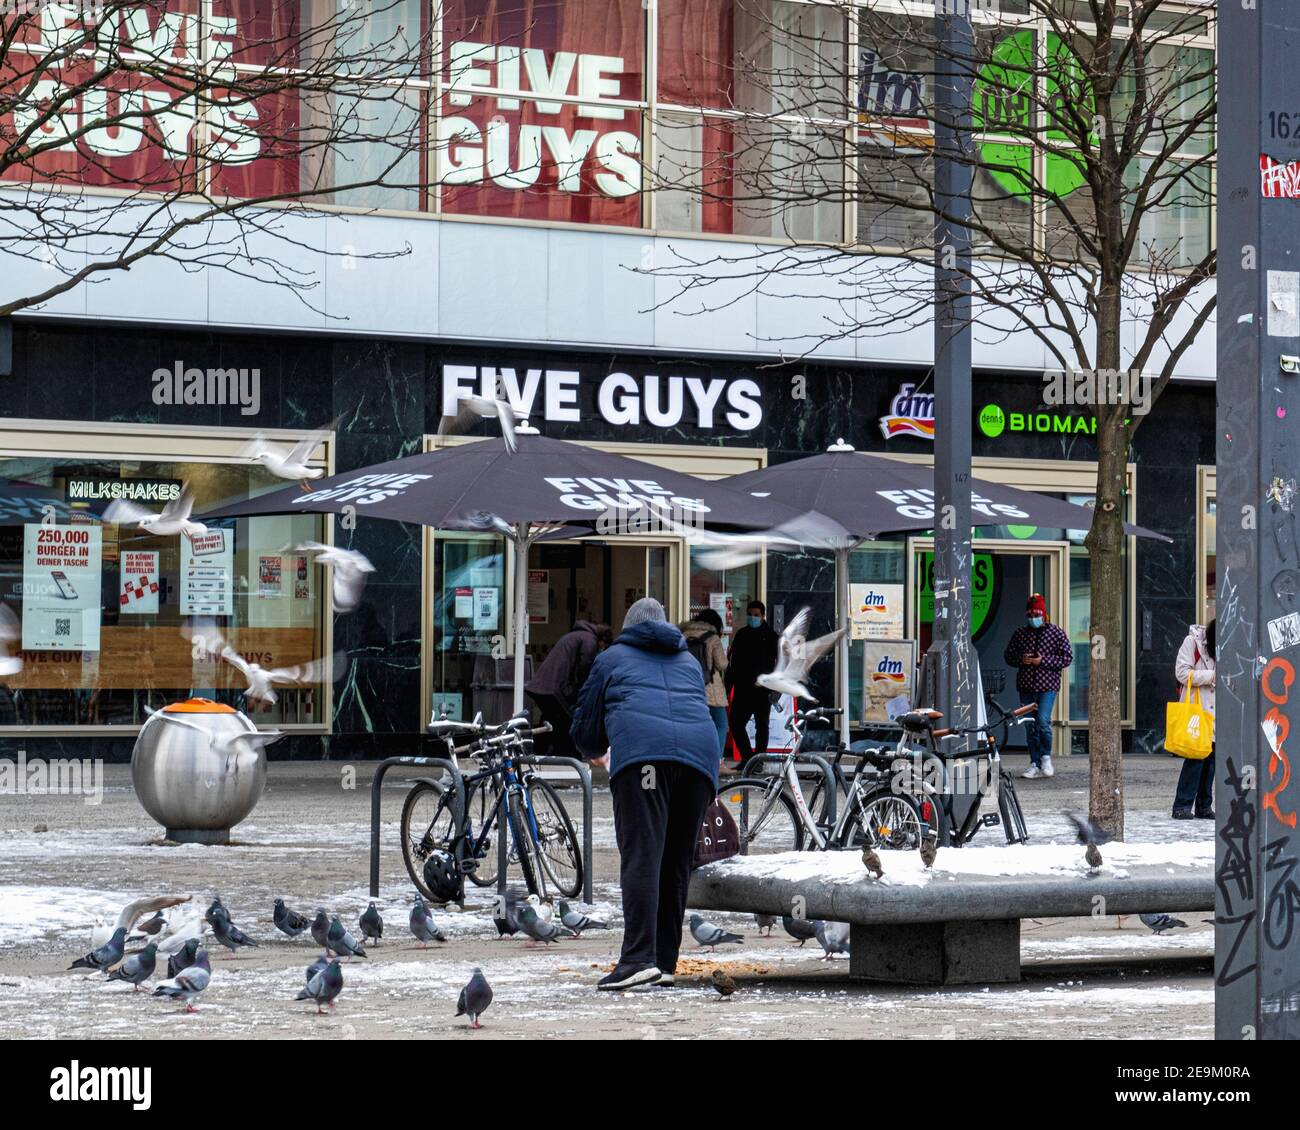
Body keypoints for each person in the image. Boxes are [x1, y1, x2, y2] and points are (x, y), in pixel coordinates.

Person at [570, 597, 718, 991]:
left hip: (646, 764)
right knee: (674, 863)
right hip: (699, 765)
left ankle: (637, 959)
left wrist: (595, 749)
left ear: (628, 625)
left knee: (643, 856)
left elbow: (585, 725)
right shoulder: (688, 659)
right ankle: (662, 962)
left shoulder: (612, 657)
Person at [1003, 593, 1073, 779]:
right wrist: (1021, 660)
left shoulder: (1056, 633)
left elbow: (1067, 658)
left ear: (1044, 614)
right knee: (1030, 725)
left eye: (1036, 614)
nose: (1033, 618)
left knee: (1042, 721)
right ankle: (1034, 762)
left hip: (1048, 685)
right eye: (1030, 615)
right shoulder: (1020, 634)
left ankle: (1046, 756)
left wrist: (1043, 661)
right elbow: (1008, 655)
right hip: (1026, 685)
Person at [525, 620, 611, 757]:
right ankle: (567, 754)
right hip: (552, 688)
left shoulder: (578, 635)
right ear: (602, 641)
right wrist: (584, 692)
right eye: (603, 648)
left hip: (543, 686)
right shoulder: (589, 640)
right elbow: (585, 668)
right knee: (565, 721)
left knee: (551, 719)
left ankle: (539, 750)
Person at [1172, 619, 1215, 820]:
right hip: (1197, 709)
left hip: (1215, 711)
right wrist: (1211, 676)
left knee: (1212, 759)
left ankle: (1204, 806)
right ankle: (1182, 805)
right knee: (1196, 758)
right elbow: (1182, 673)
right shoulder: (1192, 642)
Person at [726, 599, 779, 763]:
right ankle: (748, 758)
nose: (752, 618)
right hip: (743, 688)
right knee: (736, 724)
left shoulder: (771, 636)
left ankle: (758, 760)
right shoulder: (742, 634)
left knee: (761, 725)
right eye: (749, 615)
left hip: (763, 689)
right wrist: (728, 685)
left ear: (763, 616)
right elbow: (733, 663)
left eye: (756, 615)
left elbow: (781, 663)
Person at [680, 608, 731, 771]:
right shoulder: (712, 638)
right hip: (710, 688)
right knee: (720, 724)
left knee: (690, 724)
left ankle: (688, 759)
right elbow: (722, 664)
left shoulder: (682, 635)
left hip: (686, 686)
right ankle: (717, 762)